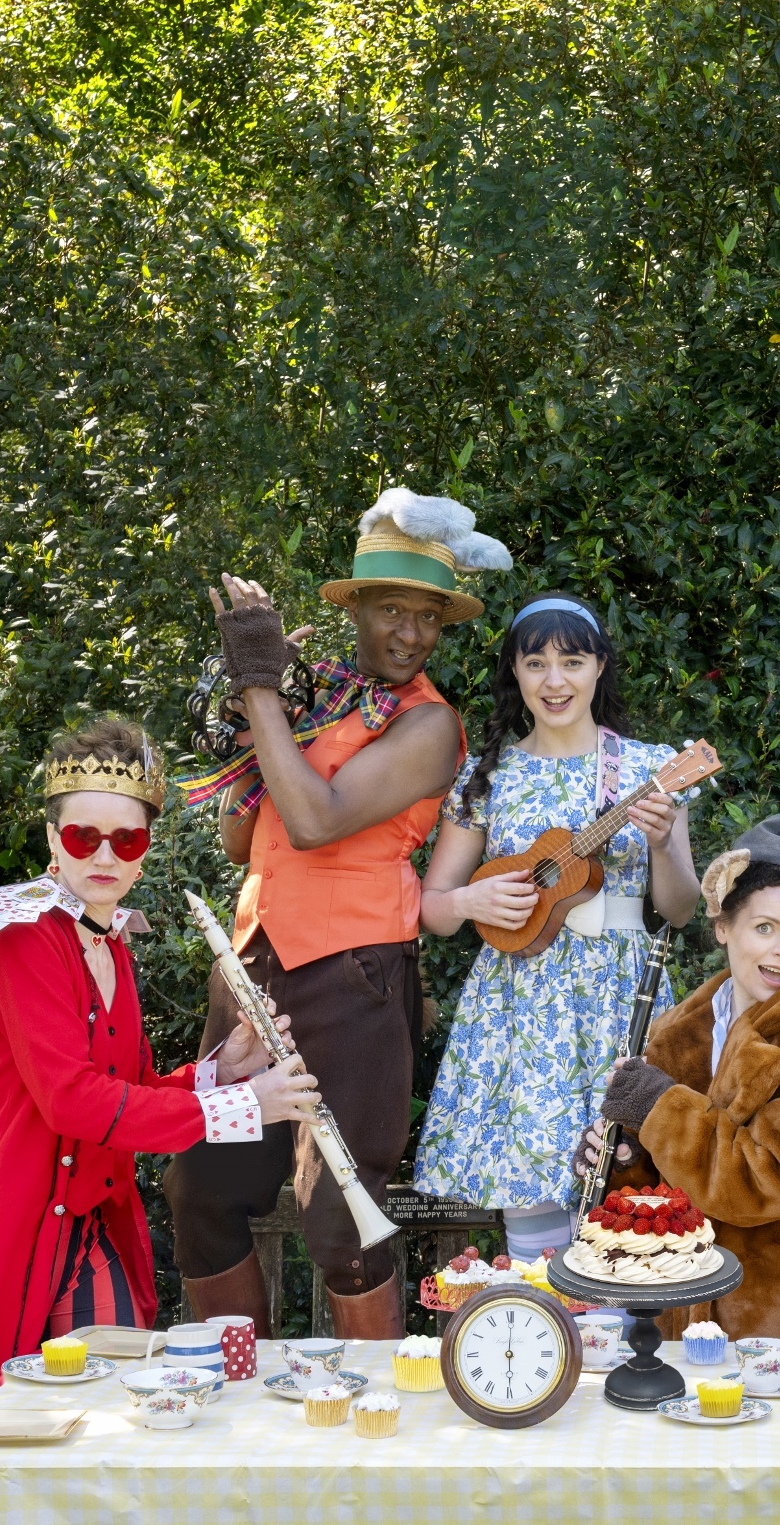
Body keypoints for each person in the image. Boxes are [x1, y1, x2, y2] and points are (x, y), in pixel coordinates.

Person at [0, 720, 318, 1437]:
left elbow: (135, 1088)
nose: (105, 855)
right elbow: (73, 1101)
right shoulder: (24, 940)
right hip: (8, 1230)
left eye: (128, 840)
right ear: (53, 839)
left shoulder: (112, 945)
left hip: (87, 1231)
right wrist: (249, 1107)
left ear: (145, 852)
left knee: (114, 1423)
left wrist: (223, 1072)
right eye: (84, 836)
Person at [164, 489, 509, 1338]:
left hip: (355, 976)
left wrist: (263, 690)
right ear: (356, 607)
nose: (413, 634)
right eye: (393, 610)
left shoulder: (429, 724)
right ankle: (240, 1398)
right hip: (252, 965)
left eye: (430, 618)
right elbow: (242, 838)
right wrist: (254, 711)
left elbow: (316, 821)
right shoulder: (323, 699)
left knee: (341, 1221)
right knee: (200, 1188)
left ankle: (374, 1431)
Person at [412, 593, 701, 1259]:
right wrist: (469, 904)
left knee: (629, 1187)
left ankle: (623, 1349)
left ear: (600, 666)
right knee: (534, 1195)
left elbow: (681, 910)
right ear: (513, 671)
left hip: (619, 999)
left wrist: (663, 845)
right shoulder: (489, 776)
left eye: (571, 661)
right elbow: (433, 904)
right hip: (520, 1004)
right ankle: (547, 1342)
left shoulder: (647, 770)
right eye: (535, 662)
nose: (554, 680)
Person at [574, 813, 780, 1339]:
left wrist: (659, 1108)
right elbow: (667, 1189)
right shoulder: (678, 1029)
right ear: (724, 926)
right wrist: (624, 1163)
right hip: (688, 1318)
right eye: (765, 927)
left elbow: (769, 1181)